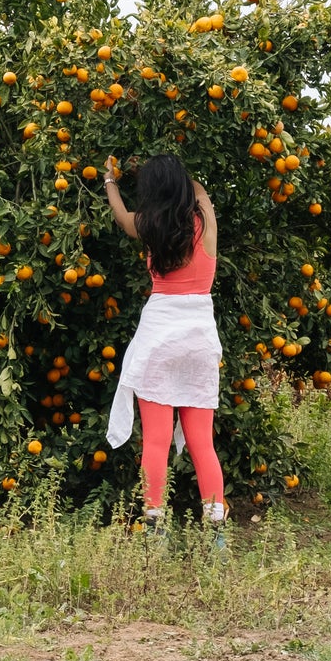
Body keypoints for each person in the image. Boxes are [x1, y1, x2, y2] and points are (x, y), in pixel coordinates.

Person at [102, 153, 227, 545]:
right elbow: (201, 192)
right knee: (201, 442)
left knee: (155, 440)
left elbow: (123, 217)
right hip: (199, 340)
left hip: (159, 338)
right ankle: (216, 533)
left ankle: (155, 529)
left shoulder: (150, 225)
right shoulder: (204, 224)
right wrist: (178, 176)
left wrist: (111, 180)